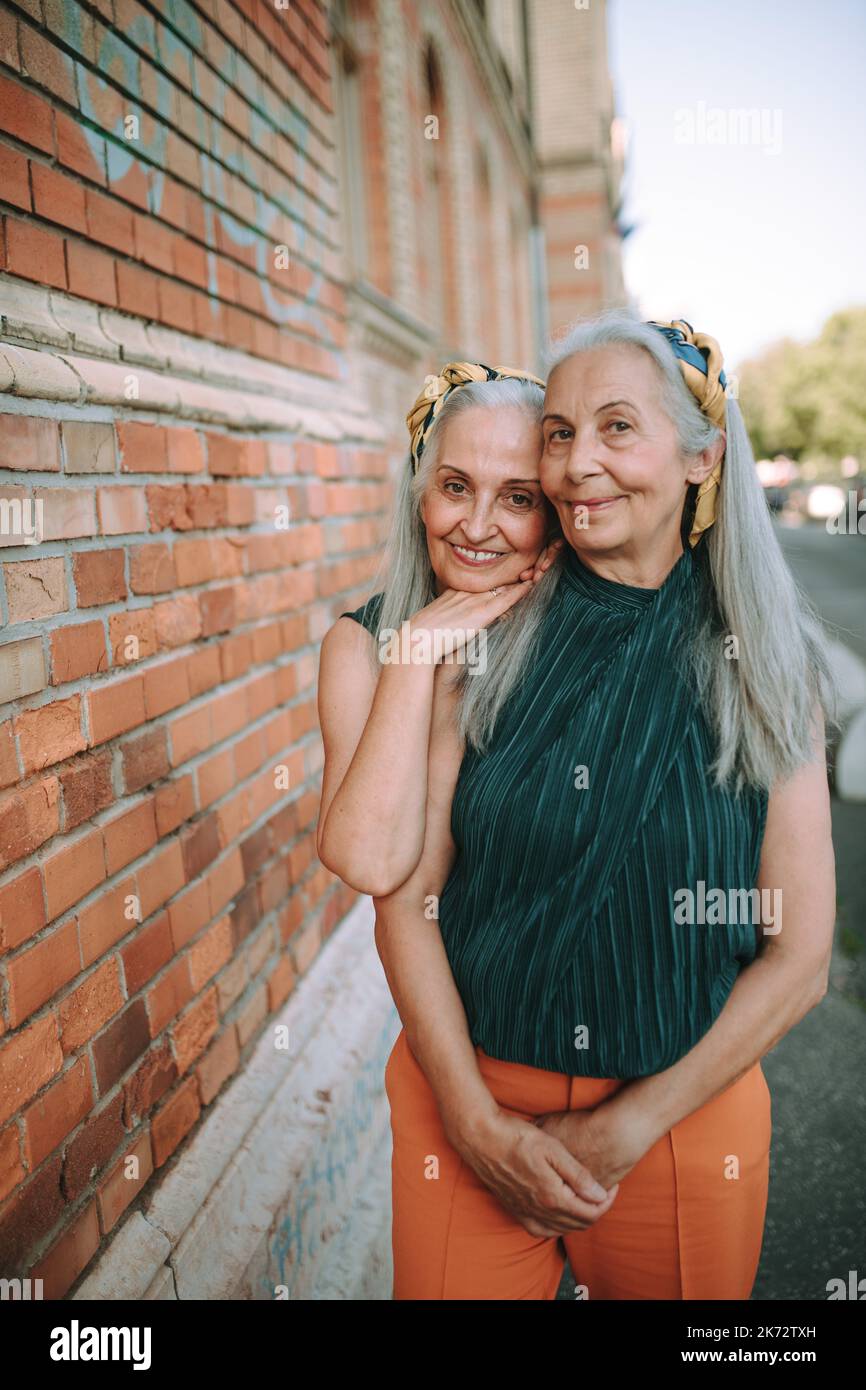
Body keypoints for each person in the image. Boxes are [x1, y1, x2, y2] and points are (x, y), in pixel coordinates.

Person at [318, 315, 838, 1300]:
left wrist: (626, 1127)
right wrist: (472, 1121)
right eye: (560, 434)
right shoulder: (464, 632)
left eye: (613, 430)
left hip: (678, 1121)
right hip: (465, 1098)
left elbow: (799, 953)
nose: (576, 465)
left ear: (699, 459)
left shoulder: (755, 654)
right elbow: (397, 886)